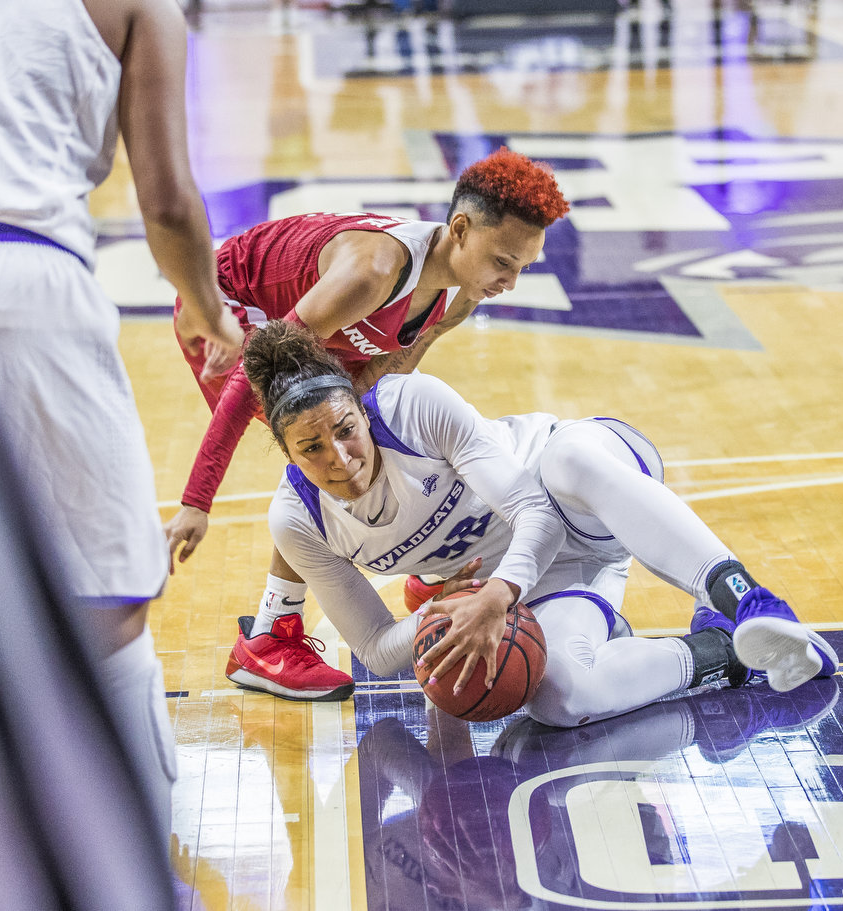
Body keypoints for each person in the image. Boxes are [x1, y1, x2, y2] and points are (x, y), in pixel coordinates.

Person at [0, 0, 244, 843]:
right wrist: (208, 307)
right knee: (111, 610)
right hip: (21, 289)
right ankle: (124, 857)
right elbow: (167, 203)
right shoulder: (137, 6)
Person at [244, 320, 838, 726]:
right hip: (546, 576)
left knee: (568, 459)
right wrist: (441, 612)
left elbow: (537, 512)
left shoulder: (411, 406)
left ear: (361, 411)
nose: (340, 457)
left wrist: (497, 592)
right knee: (560, 699)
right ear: (286, 452)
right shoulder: (297, 520)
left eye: (346, 430)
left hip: (587, 491)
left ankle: (752, 602)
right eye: (312, 448)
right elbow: (376, 649)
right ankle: (722, 649)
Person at [163, 148, 569, 702]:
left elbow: (389, 386)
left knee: (356, 430)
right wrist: (196, 501)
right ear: (459, 229)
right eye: (503, 261)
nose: (511, 282)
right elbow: (244, 381)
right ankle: (269, 636)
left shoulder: (459, 295)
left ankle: (430, 565)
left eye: (522, 267)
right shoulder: (373, 273)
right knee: (319, 445)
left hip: (302, 315)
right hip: (227, 308)